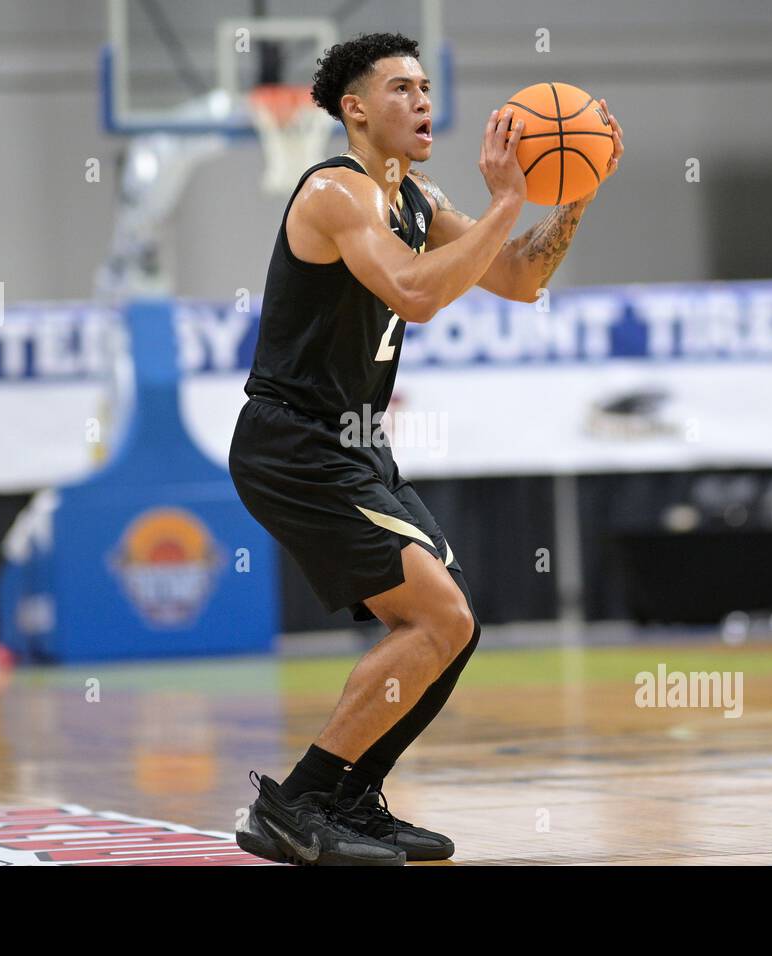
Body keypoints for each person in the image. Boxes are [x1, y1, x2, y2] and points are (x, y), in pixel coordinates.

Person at [228, 32, 623, 865]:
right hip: (295, 441)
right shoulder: (338, 192)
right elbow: (415, 290)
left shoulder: (413, 196)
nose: (422, 102)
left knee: (454, 625)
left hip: (355, 446)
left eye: (426, 88)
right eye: (401, 88)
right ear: (355, 108)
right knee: (437, 614)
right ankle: (295, 804)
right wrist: (509, 200)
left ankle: (353, 799)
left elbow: (519, 280)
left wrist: (577, 192)